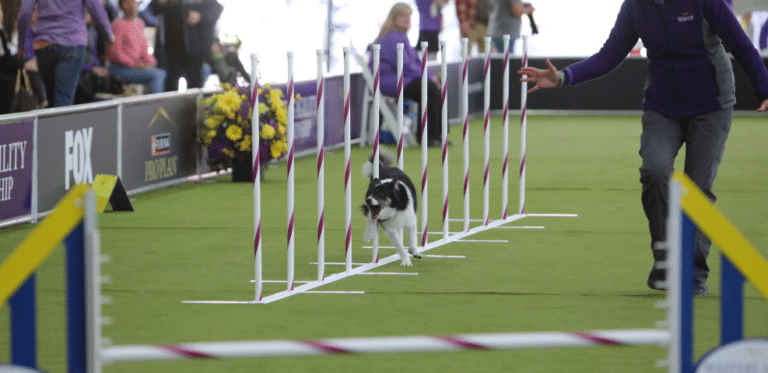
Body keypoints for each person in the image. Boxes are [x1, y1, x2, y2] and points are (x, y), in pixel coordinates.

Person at [518, 0, 768, 296]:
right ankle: (666, 256)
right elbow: (610, 54)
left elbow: (741, 45)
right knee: (654, 170)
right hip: (662, 105)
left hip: (711, 104)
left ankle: (693, 272)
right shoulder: (635, 6)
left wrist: (764, 87)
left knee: (697, 190)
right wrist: (563, 77)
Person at [373, 3, 445, 147]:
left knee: (436, 84)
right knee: (430, 87)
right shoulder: (390, 37)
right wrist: (429, 77)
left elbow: (416, 62)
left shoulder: (401, 36)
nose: (407, 19)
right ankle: (429, 136)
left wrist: (431, 75)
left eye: (409, 16)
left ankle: (435, 134)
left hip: (403, 78)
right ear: (394, 18)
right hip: (389, 81)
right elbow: (404, 65)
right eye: (403, 16)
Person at [17, 0, 114, 107]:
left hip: (44, 45)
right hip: (71, 42)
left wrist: (21, 43)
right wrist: (108, 35)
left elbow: (24, 12)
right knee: (63, 102)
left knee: (52, 100)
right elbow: (96, 7)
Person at [150, 0, 222, 92]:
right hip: (171, 48)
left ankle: (193, 106)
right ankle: (170, 106)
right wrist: (159, 2)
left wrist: (201, 16)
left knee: (194, 84)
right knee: (171, 84)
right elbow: (153, 10)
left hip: (195, 47)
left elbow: (216, 9)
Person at [105, 0, 166, 95]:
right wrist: (134, 64)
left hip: (135, 67)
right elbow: (116, 53)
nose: (133, 5)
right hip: (120, 68)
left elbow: (143, 48)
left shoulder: (139, 23)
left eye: (133, 2)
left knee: (160, 72)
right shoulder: (117, 25)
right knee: (157, 75)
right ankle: (155, 106)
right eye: (128, 3)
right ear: (121, 6)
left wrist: (151, 62)